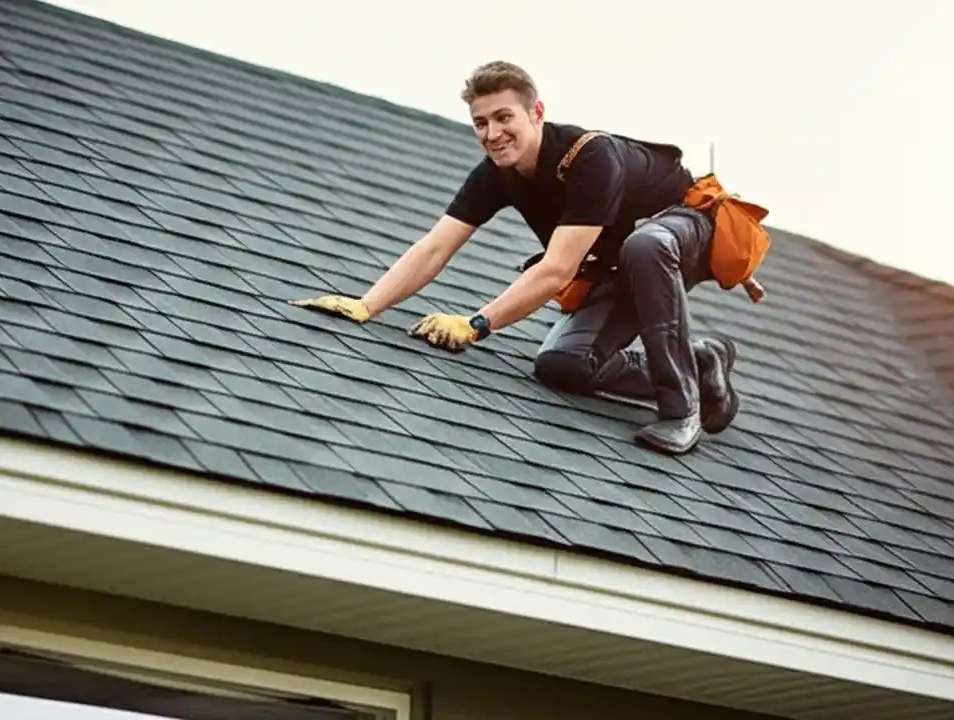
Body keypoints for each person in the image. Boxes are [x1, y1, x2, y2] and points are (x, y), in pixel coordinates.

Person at [291, 60, 742, 455]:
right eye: (480, 123)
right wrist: (368, 305)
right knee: (562, 365)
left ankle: (682, 410)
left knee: (644, 246)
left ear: (537, 112)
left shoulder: (592, 158)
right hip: (619, 262)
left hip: (683, 229)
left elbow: (558, 270)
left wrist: (475, 323)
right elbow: (435, 247)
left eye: (504, 117)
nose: (492, 133)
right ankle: (699, 361)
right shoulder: (496, 176)